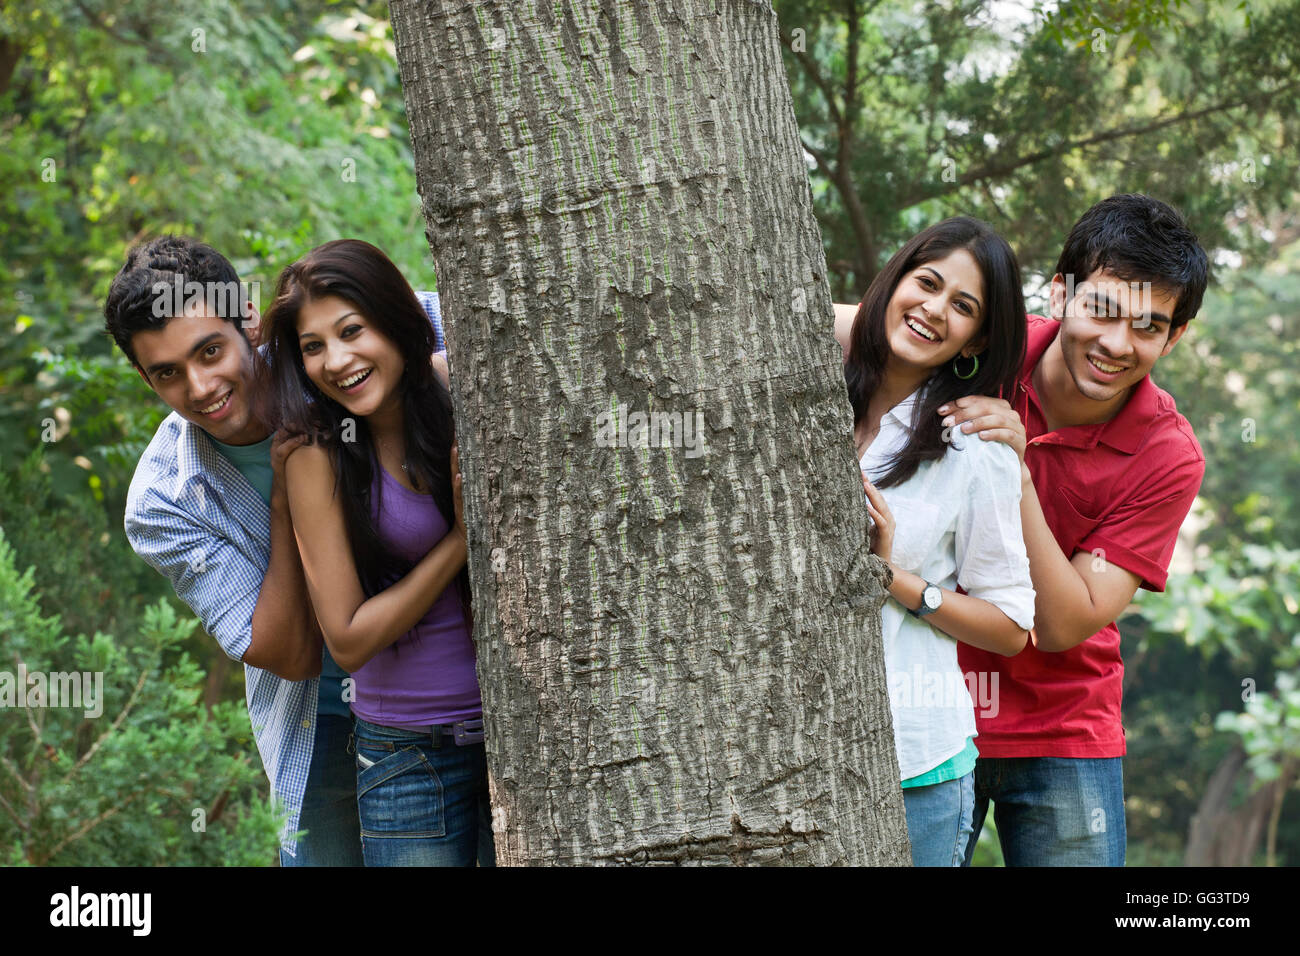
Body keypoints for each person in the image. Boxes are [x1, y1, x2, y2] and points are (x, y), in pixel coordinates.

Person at [106, 235, 446, 866]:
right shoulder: (164, 501)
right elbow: (289, 654)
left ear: (251, 322)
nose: (202, 386)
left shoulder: (328, 355)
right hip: (319, 721)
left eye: (210, 351)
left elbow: (441, 321)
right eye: (168, 374)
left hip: (449, 684)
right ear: (144, 377)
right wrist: (290, 501)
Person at [941, 194, 1208, 866]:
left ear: (1174, 337)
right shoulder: (986, 350)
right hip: (932, 702)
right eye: (1104, 310)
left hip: (1065, 725)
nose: (1118, 345)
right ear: (1059, 296)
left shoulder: (1169, 454)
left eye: (1149, 326)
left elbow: (1064, 624)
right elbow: (873, 332)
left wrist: (1017, 475)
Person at [261, 238, 492, 867]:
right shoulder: (315, 455)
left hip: (519, 735)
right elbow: (348, 639)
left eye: (351, 331)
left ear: (393, 320)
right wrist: (460, 543)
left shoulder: (459, 392)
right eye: (313, 347)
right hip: (406, 758)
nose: (336, 360)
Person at [830, 217, 1036, 866]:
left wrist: (890, 577)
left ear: (976, 339)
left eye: (963, 306)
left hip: (913, 766)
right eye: (927, 283)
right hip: (790, 759)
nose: (934, 309)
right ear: (894, 282)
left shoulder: (975, 448)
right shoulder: (811, 396)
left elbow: (1012, 628)